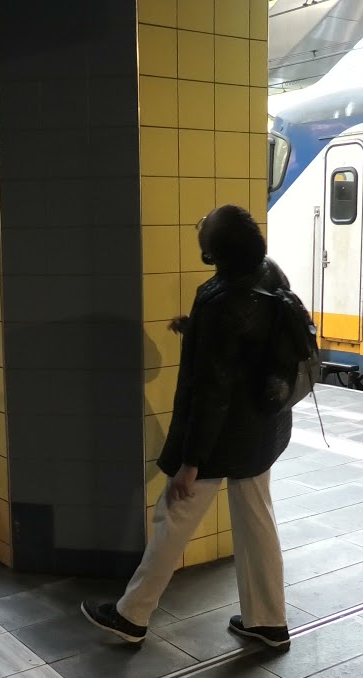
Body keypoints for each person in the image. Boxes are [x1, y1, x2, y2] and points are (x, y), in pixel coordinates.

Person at [81, 205, 293, 649]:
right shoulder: (270, 275)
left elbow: (211, 392)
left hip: (219, 438)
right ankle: (268, 621)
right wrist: (196, 329)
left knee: (173, 516)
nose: (200, 234)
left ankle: (131, 615)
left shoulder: (218, 299)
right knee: (258, 523)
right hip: (262, 428)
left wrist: (191, 462)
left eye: (206, 234)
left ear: (214, 253)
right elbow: (251, 340)